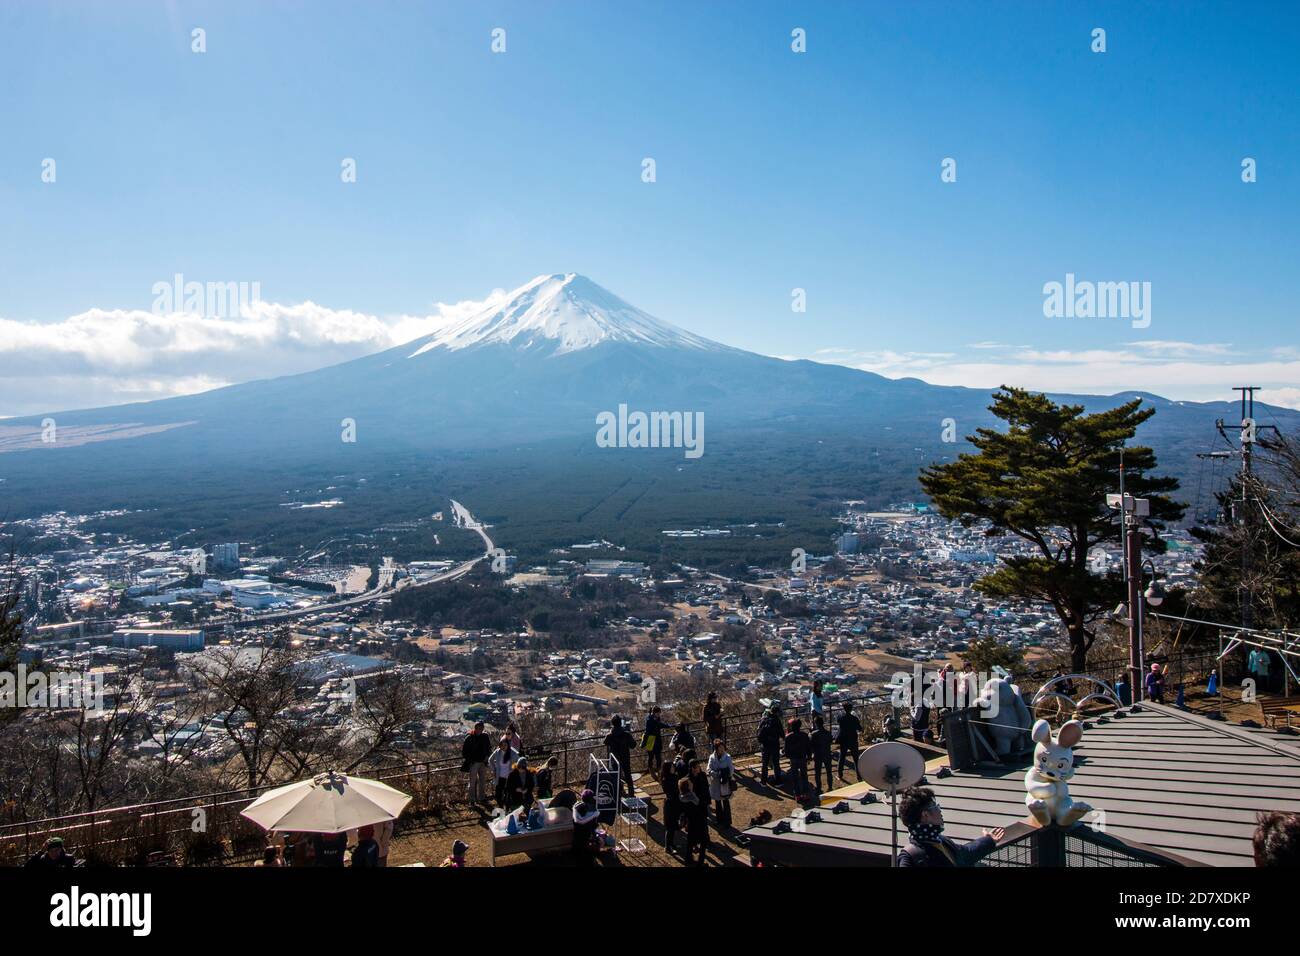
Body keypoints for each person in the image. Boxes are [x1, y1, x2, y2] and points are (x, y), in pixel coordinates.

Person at [896, 787, 1003, 867]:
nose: (939, 810)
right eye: (936, 807)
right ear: (925, 815)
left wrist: (989, 840)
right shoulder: (910, 856)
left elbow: (966, 853)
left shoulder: (942, 841)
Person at [678, 776, 709, 866]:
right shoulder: (692, 798)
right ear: (688, 786)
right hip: (699, 823)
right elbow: (701, 807)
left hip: (690, 823)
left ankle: (688, 861)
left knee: (690, 843)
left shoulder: (681, 798)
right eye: (690, 783)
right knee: (703, 843)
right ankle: (700, 863)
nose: (692, 784)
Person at [604, 715, 636, 801]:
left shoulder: (610, 736)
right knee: (628, 776)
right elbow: (633, 745)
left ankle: (618, 794)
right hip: (625, 758)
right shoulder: (626, 734)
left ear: (612, 724)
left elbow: (605, 742)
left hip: (615, 759)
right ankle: (631, 794)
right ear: (620, 723)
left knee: (616, 777)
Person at [462, 721, 493, 805]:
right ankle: (472, 800)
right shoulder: (469, 738)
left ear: (483, 728)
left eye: (481, 728)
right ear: (474, 728)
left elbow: (489, 747)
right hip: (474, 763)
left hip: (483, 762)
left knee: (482, 781)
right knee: (472, 782)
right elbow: (464, 752)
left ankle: (481, 798)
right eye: (477, 728)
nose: (479, 730)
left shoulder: (485, 736)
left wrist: (487, 756)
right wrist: (471, 761)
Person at [706, 738, 735, 827]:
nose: (722, 749)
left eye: (723, 747)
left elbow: (731, 771)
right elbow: (708, 769)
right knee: (718, 803)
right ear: (716, 748)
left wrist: (724, 774)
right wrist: (716, 774)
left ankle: (727, 821)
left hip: (724, 783)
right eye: (720, 748)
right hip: (715, 783)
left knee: (726, 802)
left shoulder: (728, 757)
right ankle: (719, 820)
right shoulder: (712, 757)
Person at [783, 718, 812, 798]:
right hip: (803, 758)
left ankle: (797, 794)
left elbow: (786, 751)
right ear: (800, 725)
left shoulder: (788, 737)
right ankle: (805, 794)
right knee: (804, 776)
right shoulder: (805, 735)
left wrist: (789, 756)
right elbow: (808, 748)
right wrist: (809, 757)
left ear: (792, 726)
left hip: (793, 759)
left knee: (795, 777)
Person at [659, 759, 683, 856]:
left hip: (675, 803)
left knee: (672, 826)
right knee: (670, 827)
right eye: (672, 767)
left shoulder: (673, 777)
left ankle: (671, 844)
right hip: (671, 804)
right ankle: (668, 846)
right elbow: (672, 791)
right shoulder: (666, 779)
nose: (674, 768)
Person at [572, 789, 601, 866]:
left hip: (576, 841)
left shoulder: (576, 808)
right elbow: (593, 827)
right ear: (591, 800)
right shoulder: (594, 812)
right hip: (587, 842)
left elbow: (578, 821)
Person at [757, 705, 784, 785]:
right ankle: (778, 781)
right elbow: (781, 733)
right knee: (776, 763)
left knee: (764, 763)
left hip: (765, 745)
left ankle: (763, 781)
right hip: (774, 744)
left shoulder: (764, 719)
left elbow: (758, 731)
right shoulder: (777, 720)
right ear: (777, 712)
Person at [836, 701, 863, 781]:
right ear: (851, 709)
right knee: (856, 759)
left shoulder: (841, 718)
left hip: (844, 740)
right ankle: (859, 776)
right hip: (853, 739)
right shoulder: (854, 718)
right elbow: (860, 729)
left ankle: (840, 775)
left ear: (844, 709)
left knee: (842, 758)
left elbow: (838, 722)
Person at [489, 736, 517, 808]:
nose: (503, 747)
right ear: (500, 745)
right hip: (499, 776)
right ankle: (501, 807)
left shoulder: (512, 752)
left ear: (508, 745)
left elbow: (519, 760)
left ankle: (507, 810)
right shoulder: (497, 752)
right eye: (502, 745)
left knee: (507, 795)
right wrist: (494, 769)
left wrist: (514, 770)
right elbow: (490, 760)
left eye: (505, 745)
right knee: (498, 795)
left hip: (509, 777)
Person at [810, 715, 834, 793]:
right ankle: (830, 787)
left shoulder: (813, 734)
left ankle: (819, 788)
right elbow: (831, 741)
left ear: (816, 724)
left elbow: (811, 745)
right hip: (827, 753)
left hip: (818, 755)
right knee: (829, 772)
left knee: (817, 773)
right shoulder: (828, 733)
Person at [643, 706, 666, 772]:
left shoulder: (655, 718)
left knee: (658, 756)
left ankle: (658, 770)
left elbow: (659, 725)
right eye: (658, 713)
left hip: (655, 739)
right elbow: (658, 725)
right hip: (651, 739)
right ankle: (651, 770)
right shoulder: (649, 719)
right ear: (655, 712)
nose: (659, 714)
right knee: (651, 757)